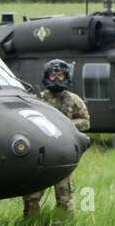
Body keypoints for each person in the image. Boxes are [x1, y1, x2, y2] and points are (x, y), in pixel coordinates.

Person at [23, 58, 90, 217]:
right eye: (53, 76)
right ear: (47, 77)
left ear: (66, 77)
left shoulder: (74, 100)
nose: (57, 79)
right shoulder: (37, 99)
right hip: (40, 156)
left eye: (60, 75)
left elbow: (86, 122)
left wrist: (65, 125)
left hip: (64, 155)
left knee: (65, 198)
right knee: (31, 196)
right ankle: (32, 223)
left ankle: (65, 225)